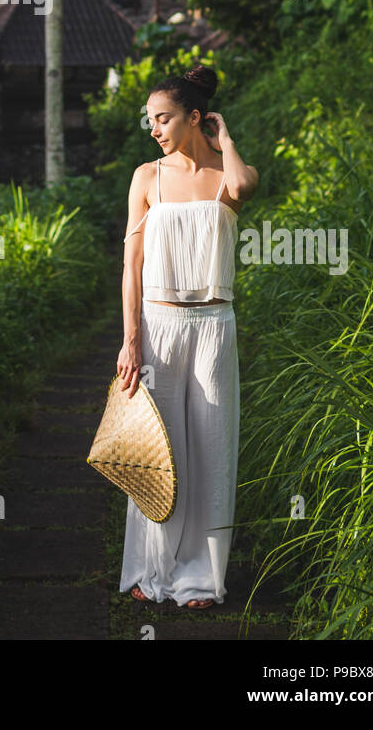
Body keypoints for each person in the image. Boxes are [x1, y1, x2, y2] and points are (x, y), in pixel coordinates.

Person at [116, 63, 258, 610]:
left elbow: (245, 186)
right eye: (150, 120)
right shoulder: (146, 178)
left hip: (214, 326)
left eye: (165, 117)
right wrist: (131, 341)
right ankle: (153, 567)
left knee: (212, 448)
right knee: (158, 449)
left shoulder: (227, 175)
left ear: (195, 117)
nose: (155, 128)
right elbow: (131, 264)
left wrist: (225, 139)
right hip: (159, 326)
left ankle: (201, 575)